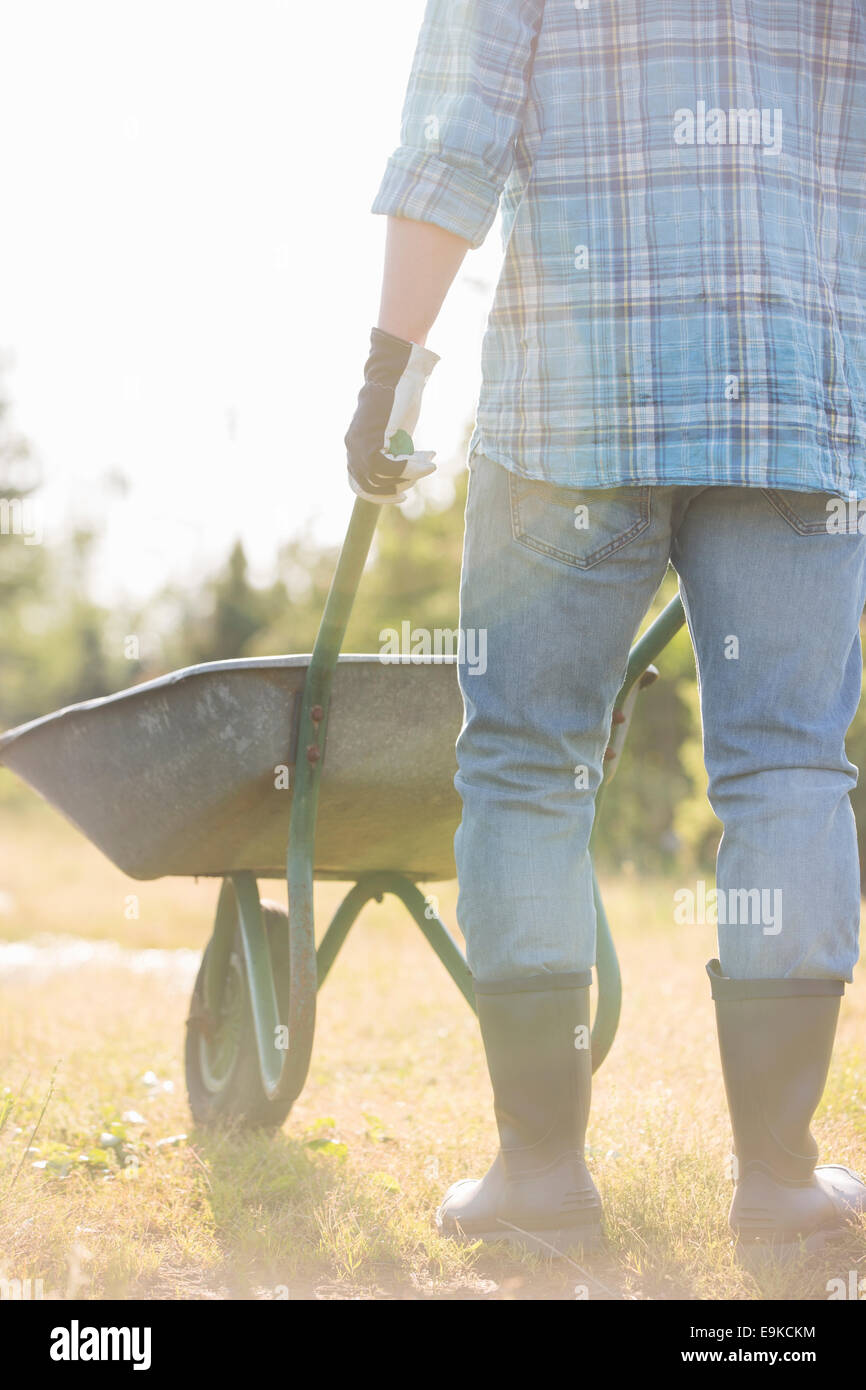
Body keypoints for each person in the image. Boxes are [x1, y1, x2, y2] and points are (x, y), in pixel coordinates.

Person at [345, 0, 866, 1258]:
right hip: (793, 402)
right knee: (787, 763)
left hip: (574, 410)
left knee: (527, 761)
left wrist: (385, 378)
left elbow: (449, 144)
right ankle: (781, 1191)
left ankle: (538, 1180)